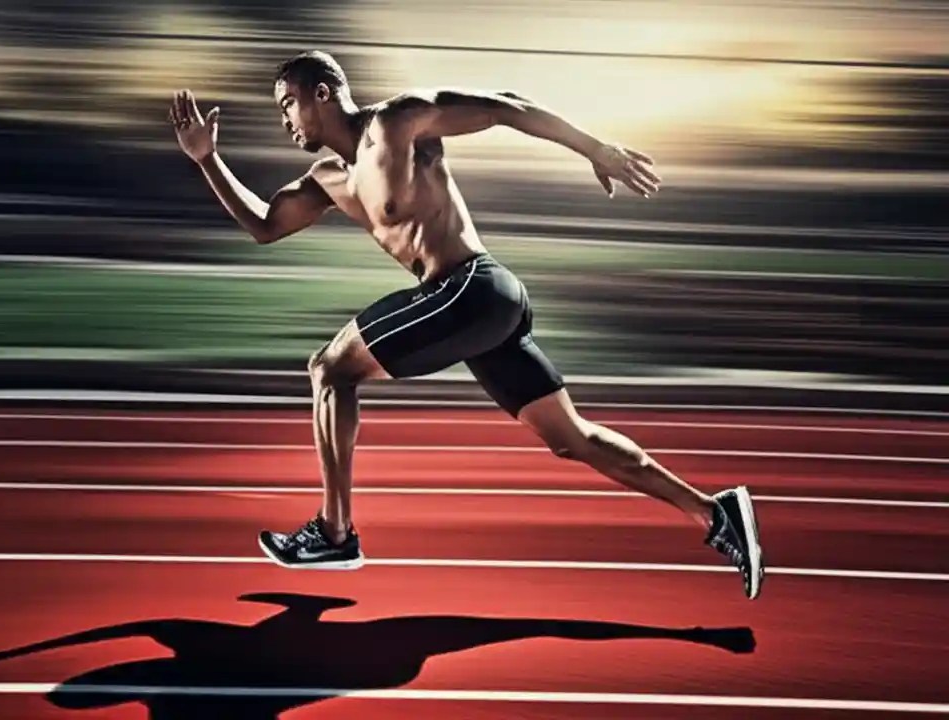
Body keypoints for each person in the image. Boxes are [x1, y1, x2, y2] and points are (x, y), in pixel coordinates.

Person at [168, 50, 764, 600]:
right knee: (570, 439)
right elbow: (265, 226)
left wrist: (595, 149)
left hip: (472, 288)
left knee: (330, 369)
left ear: (322, 94)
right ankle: (715, 513)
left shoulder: (397, 123)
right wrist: (206, 160)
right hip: (475, 309)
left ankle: (334, 531)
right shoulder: (327, 182)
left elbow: (506, 106)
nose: (284, 121)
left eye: (287, 105)